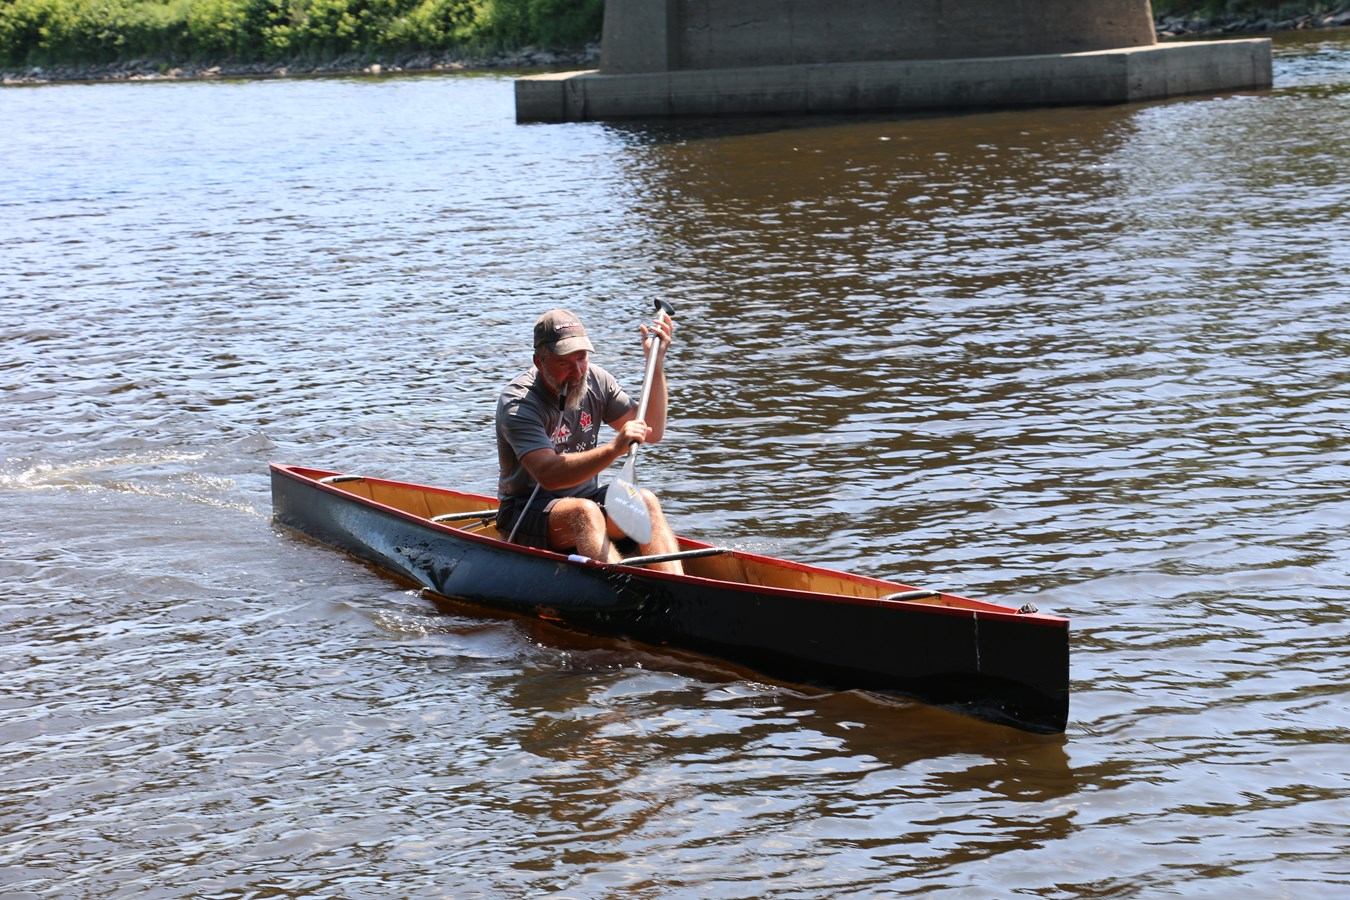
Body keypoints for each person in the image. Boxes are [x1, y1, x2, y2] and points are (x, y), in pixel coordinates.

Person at [495, 307, 684, 574]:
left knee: (644, 499)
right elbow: (548, 475)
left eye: (582, 358)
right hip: (524, 512)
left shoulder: (598, 381)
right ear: (539, 362)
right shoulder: (518, 404)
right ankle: (626, 594)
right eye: (564, 363)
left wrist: (655, 362)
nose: (577, 372)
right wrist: (613, 449)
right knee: (583, 513)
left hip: (586, 504)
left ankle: (674, 589)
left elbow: (651, 430)